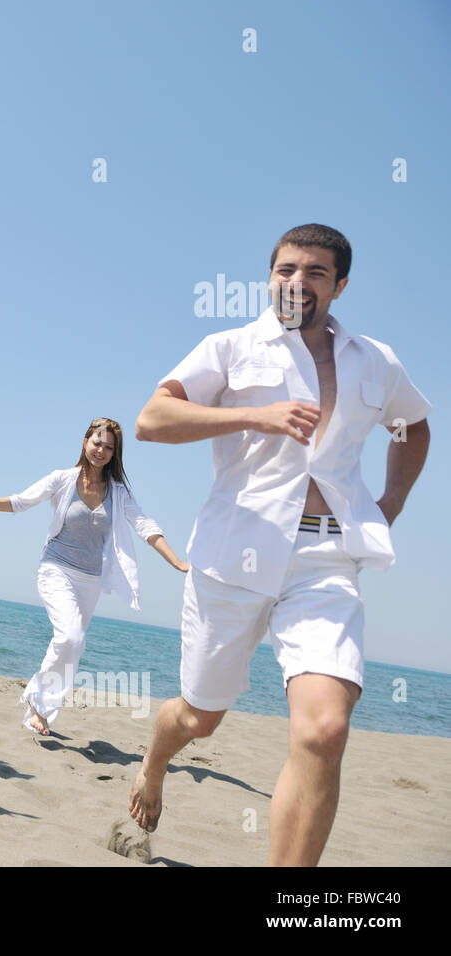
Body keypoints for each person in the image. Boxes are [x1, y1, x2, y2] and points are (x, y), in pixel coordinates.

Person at [127, 224, 431, 866]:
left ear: (340, 286)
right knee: (197, 718)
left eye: (315, 273)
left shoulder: (375, 360)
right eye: (286, 270)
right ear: (269, 276)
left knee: (325, 729)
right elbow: (151, 421)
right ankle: (154, 764)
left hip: (326, 559)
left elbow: (414, 425)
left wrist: (391, 503)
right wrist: (253, 415)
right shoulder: (230, 346)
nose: (297, 282)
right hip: (232, 553)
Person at [0, 418, 188, 735]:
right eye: (97, 442)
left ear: (114, 454)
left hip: (90, 579)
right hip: (56, 568)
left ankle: (40, 707)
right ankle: (38, 705)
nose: (101, 450)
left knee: (71, 646)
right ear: (85, 442)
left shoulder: (118, 493)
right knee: (71, 637)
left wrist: (177, 563)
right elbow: (21, 502)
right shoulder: (62, 479)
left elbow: (146, 526)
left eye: (109, 447)